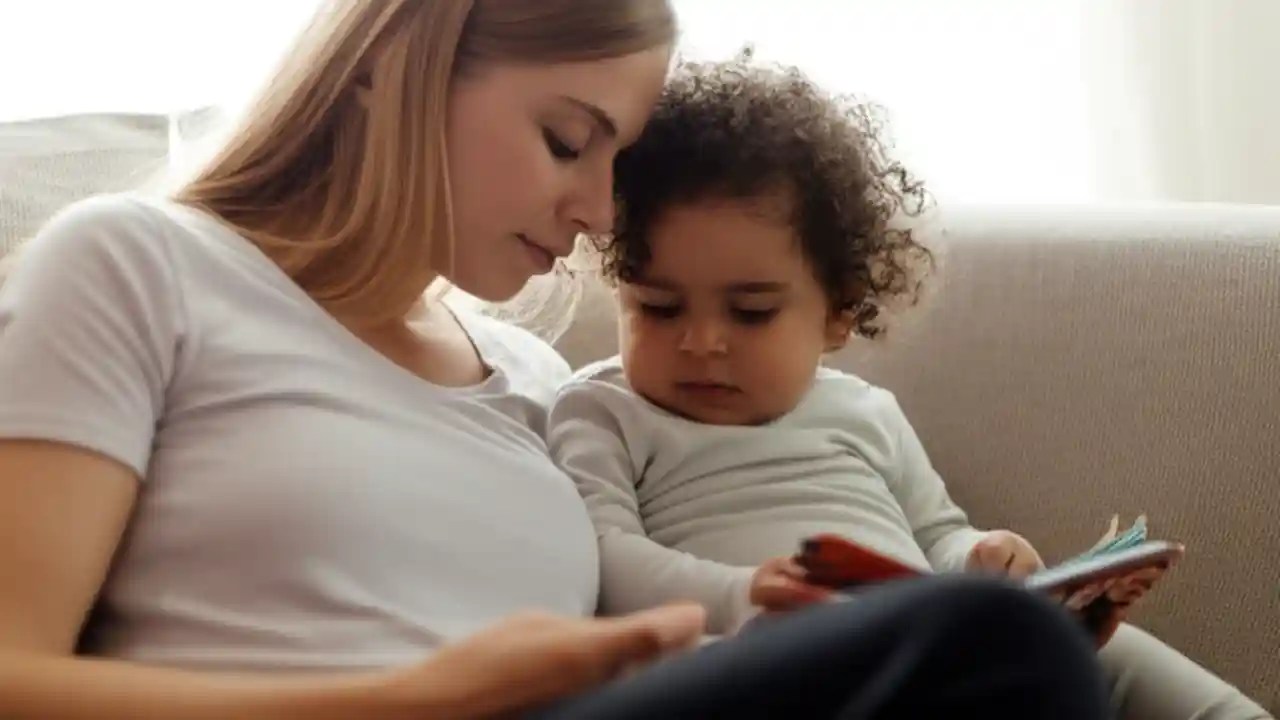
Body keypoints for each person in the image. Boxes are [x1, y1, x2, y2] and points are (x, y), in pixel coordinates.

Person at [0, 1, 1113, 718]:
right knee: (988, 646)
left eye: (613, 166)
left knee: (998, 649)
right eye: (566, 141)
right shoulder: (139, 263)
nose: (593, 214)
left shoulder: (541, 387)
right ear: (403, 58)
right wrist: (407, 701)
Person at [546, 52, 1273, 720]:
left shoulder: (863, 411)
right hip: (749, 658)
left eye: (752, 311)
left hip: (923, 641)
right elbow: (604, 555)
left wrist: (983, 553)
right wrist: (741, 594)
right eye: (658, 307)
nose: (701, 340)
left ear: (836, 311)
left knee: (1098, 649)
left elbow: (936, 535)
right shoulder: (604, 409)